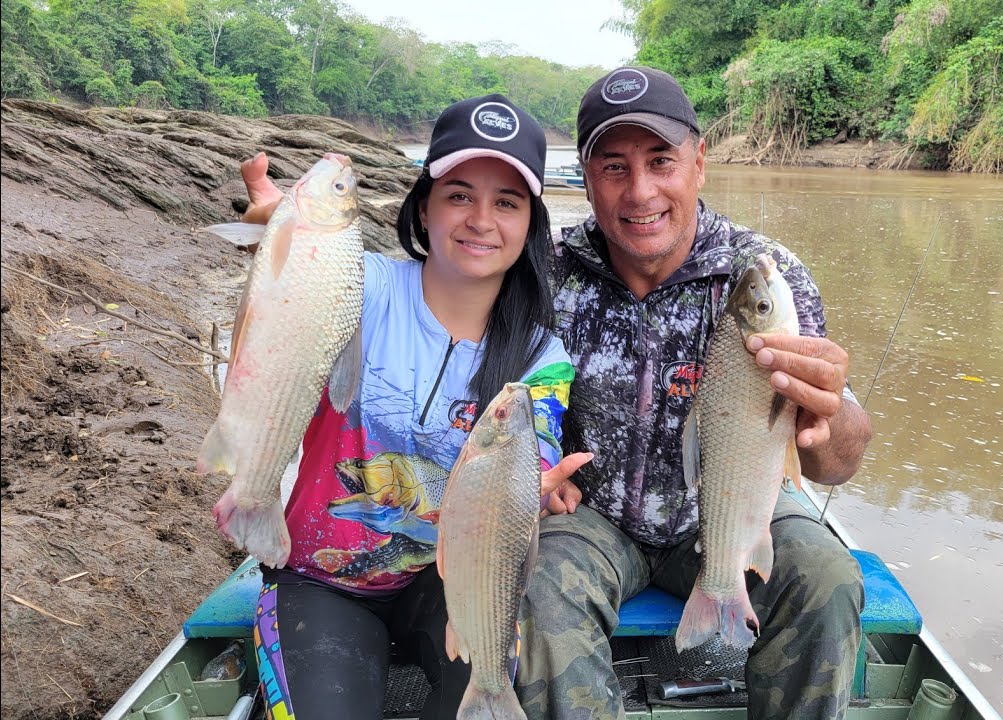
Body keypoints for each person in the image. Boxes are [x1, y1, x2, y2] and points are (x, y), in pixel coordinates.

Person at [517, 66, 874, 720]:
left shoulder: (765, 277)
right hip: (594, 518)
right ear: (586, 176)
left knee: (826, 579)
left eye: (661, 161)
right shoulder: (547, 272)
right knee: (535, 590)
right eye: (614, 166)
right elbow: (500, 397)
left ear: (699, 163)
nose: (641, 190)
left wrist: (831, 419)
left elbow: (838, 464)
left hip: (740, 506)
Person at [234, 94, 589, 720]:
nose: (481, 218)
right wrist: (289, 236)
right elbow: (284, 301)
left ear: (529, 225)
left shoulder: (542, 359)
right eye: (459, 194)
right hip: (320, 577)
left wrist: (536, 488)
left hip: (457, 585)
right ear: (423, 207)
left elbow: (535, 460)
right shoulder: (357, 284)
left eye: (506, 202)